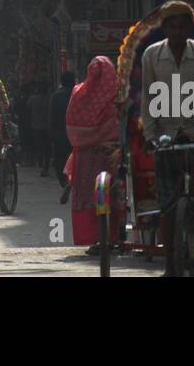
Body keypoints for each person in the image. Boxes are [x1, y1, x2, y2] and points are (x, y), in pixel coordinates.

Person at [140, 0, 194, 276]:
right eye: (172, 26)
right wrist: (150, 135)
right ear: (164, 28)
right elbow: (149, 98)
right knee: (167, 202)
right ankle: (169, 261)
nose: (177, 31)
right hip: (166, 134)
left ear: (190, 27)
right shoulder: (152, 55)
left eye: (182, 25)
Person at [64, 56, 120, 248]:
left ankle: (93, 237)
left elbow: (71, 127)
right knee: (114, 196)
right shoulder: (118, 93)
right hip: (111, 154)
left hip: (85, 156)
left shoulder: (78, 92)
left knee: (88, 195)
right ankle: (113, 235)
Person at [27, 80, 51, 176]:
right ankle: (46, 166)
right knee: (47, 148)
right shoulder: (49, 98)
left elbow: (28, 106)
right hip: (48, 127)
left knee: (39, 146)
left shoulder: (33, 99)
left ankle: (41, 165)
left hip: (36, 126)